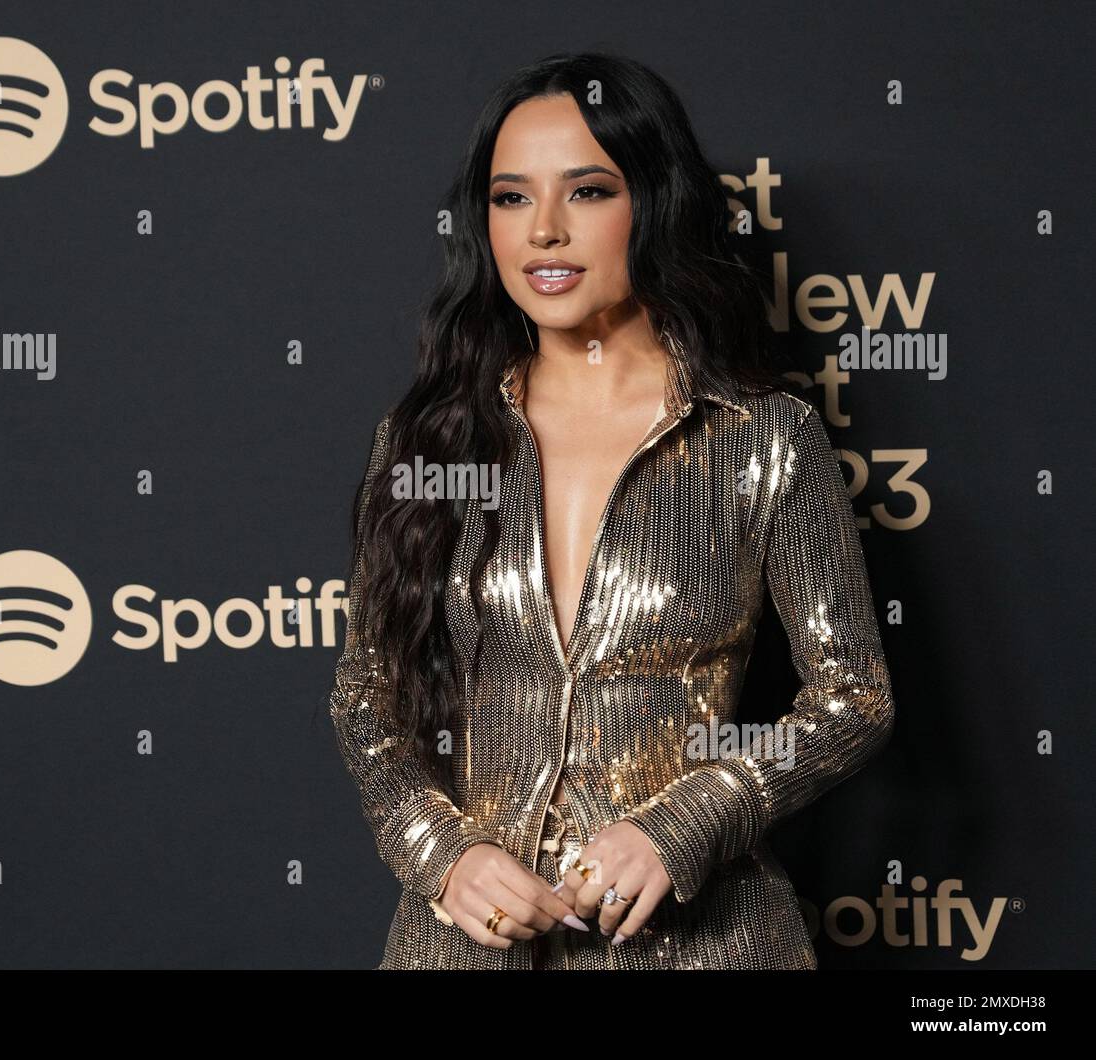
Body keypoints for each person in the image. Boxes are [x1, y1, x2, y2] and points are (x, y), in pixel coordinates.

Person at [327, 51, 894, 970]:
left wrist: (685, 826)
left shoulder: (761, 438)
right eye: (511, 199)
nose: (544, 230)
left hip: (707, 948)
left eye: (586, 191)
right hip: (463, 947)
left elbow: (854, 698)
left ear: (655, 204)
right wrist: (441, 853)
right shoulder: (430, 437)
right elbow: (365, 697)